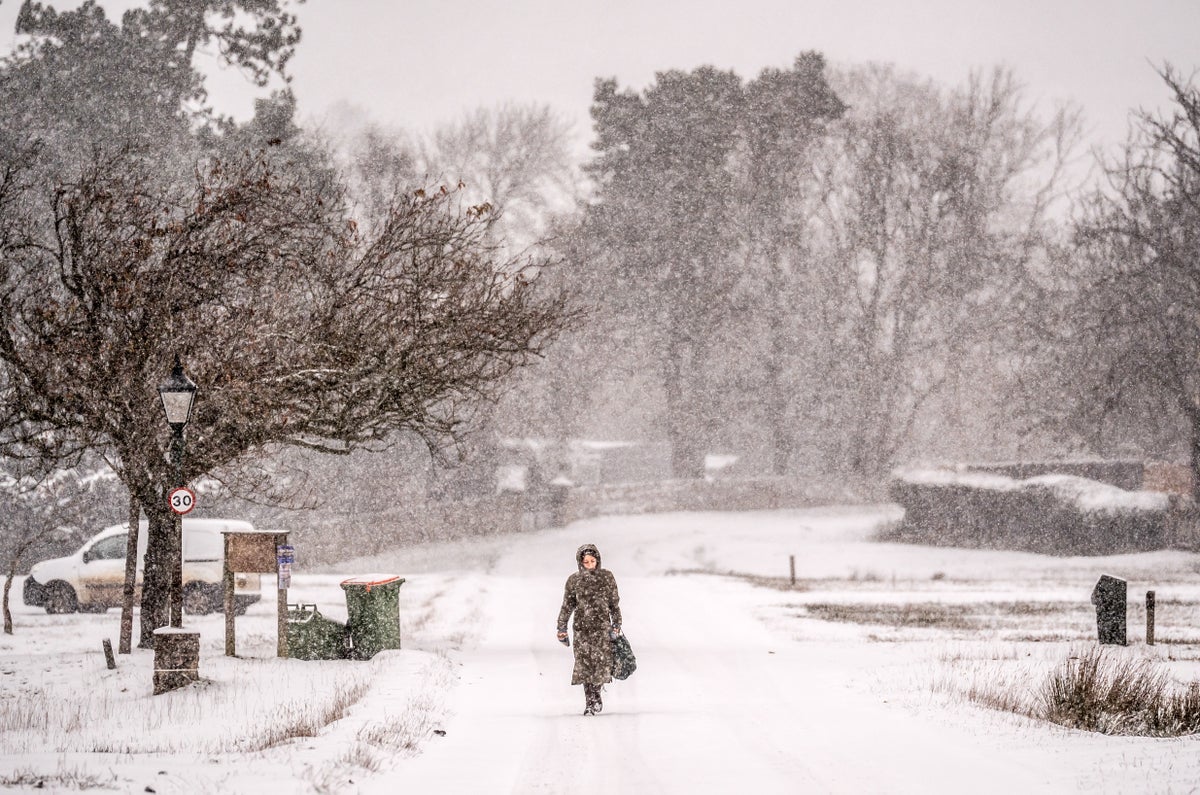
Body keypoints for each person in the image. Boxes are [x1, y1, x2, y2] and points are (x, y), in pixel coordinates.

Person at [556, 542, 622, 716]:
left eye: (593, 561)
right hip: (582, 629)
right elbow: (567, 605)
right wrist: (561, 627)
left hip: (602, 629)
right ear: (580, 562)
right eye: (586, 562)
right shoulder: (574, 581)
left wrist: (616, 624)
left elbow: (614, 604)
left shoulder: (606, 577)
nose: (590, 565)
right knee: (585, 666)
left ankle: (597, 694)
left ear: (598, 560)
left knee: (601, 664)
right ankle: (590, 702)